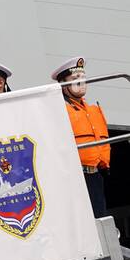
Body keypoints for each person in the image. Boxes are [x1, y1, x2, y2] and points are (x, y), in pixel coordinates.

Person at [54, 56, 111, 218]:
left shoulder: (92, 109)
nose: (81, 82)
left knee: (100, 217)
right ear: (63, 84)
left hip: (95, 175)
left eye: (83, 77)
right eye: (74, 78)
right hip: (74, 176)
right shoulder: (59, 110)